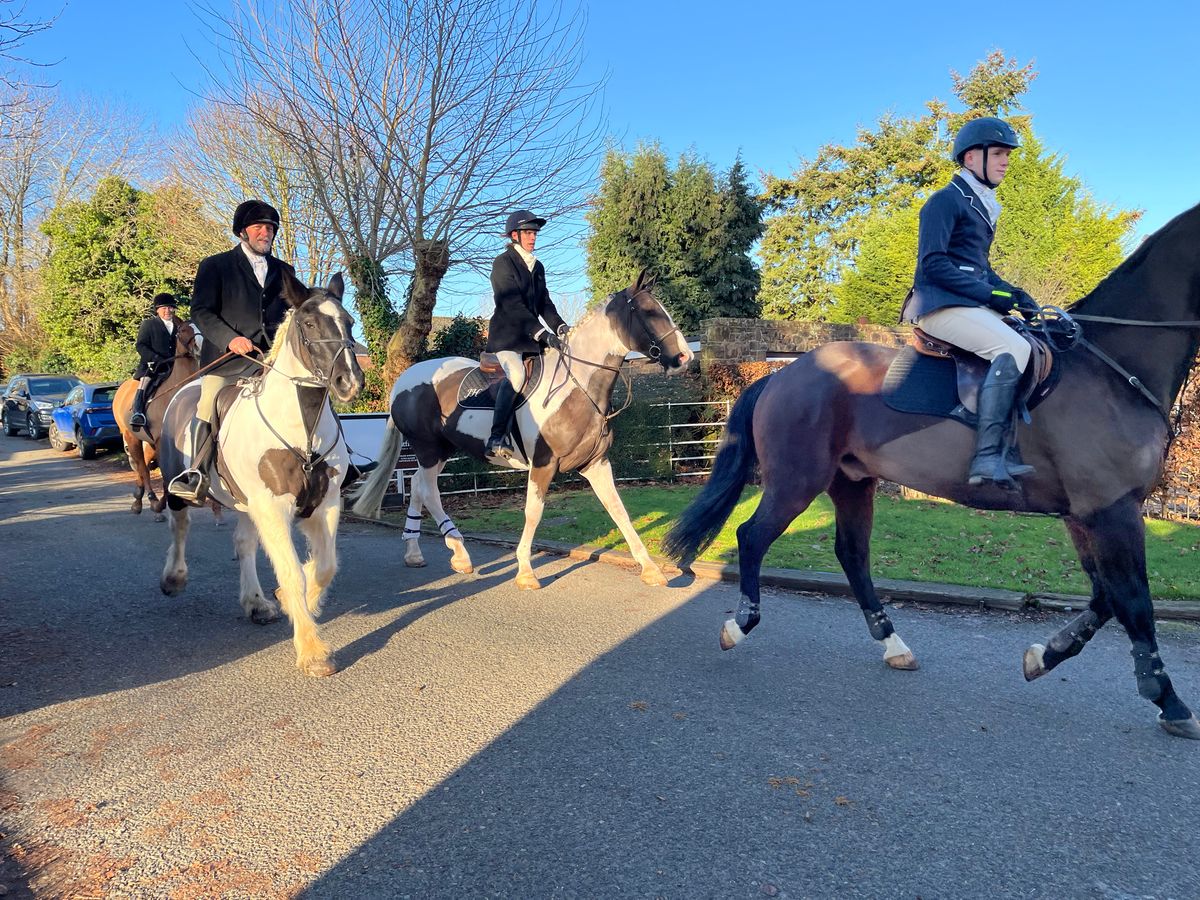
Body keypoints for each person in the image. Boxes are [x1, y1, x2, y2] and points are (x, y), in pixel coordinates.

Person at [901, 116, 1040, 488]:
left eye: (1007, 155)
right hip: (938, 305)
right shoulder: (945, 201)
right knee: (1011, 347)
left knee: (1031, 339)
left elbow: (981, 269)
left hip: (964, 305)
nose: (1006, 161)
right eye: (997, 153)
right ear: (970, 158)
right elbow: (933, 264)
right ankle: (986, 457)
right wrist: (991, 295)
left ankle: (1008, 445)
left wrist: (1015, 294)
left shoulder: (981, 206)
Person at [168, 200, 295, 502]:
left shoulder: (285, 270)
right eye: (259, 227)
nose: (266, 232)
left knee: (312, 391)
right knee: (208, 403)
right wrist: (231, 339)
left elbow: (297, 309)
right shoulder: (216, 266)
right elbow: (201, 311)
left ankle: (332, 463)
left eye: (270, 227)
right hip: (229, 361)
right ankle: (196, 473)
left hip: (272, 360)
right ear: (242, 232)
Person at [483, 209, 569, 460]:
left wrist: (561, 328)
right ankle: (497, 436)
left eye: (534, 233)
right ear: (514, 235)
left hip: (531, 340)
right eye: (528, 233)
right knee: (518, 375)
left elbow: (545, 304)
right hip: (507, 338)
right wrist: (542, 333)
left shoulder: (537, 266)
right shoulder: (502, 263)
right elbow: (512, 306)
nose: (533, 237)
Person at [129, 293, 180, 429]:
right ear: (157, 310)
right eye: (164, 308)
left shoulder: (179, 325)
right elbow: (141, 345)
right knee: (144, 384)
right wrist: (155, 358)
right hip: (153, 365)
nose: (167, 311)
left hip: (175, 364)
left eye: (170, 308)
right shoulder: (149, 324)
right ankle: (138, 413)